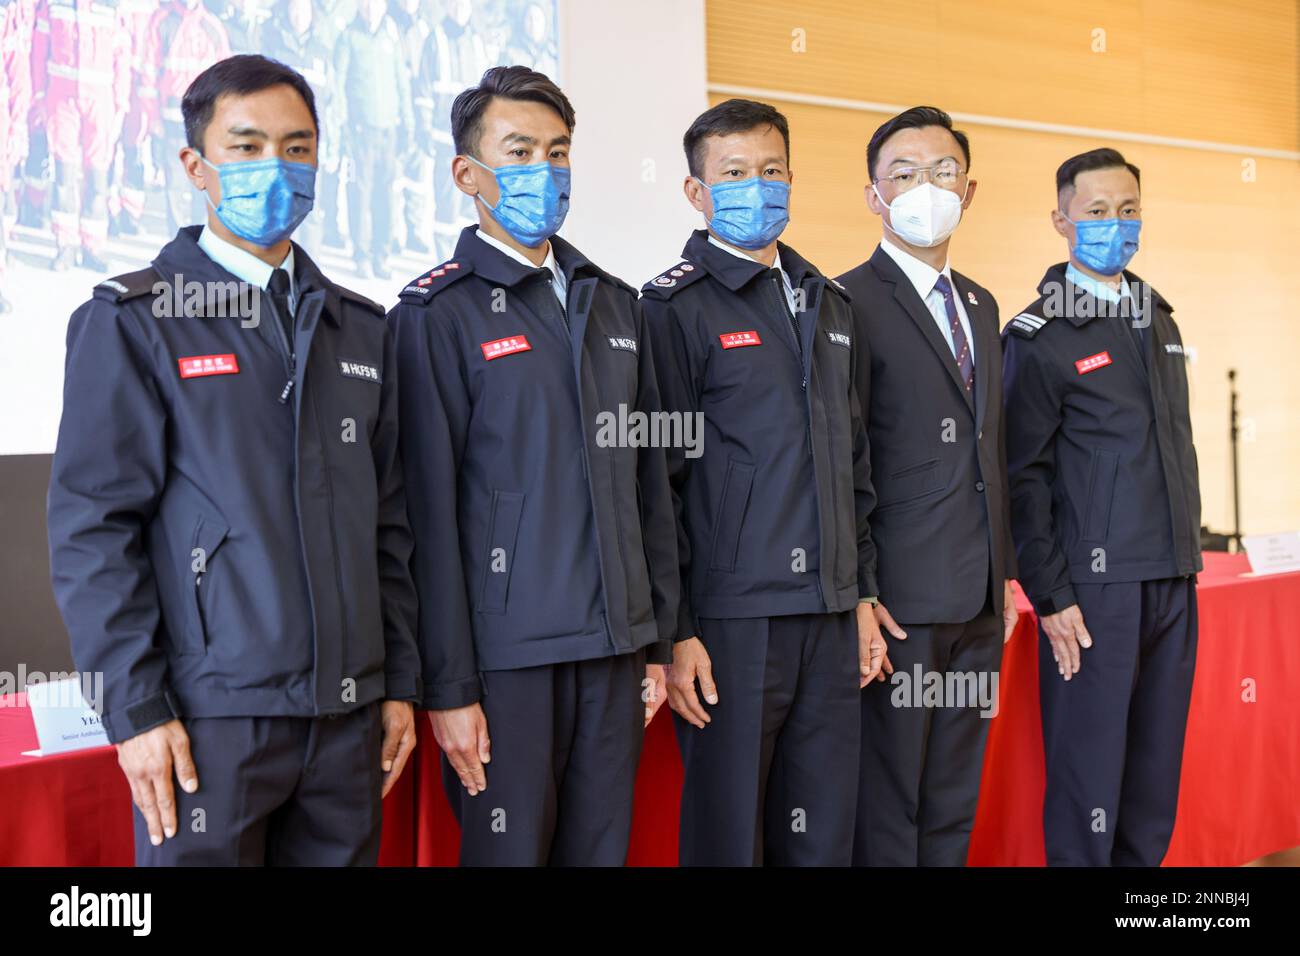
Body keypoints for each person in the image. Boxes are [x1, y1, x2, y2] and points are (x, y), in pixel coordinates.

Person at [47, 54, 421, 866]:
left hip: (348, 719)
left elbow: (387, 527)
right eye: (246, 148)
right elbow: (93, 533)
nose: (274, 169)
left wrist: (396, 681)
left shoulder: (360, 328)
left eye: (296, 147)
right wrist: (136, 710)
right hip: (208, 726)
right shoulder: (134, 321)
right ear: (196, 165)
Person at [389, 65, 678, 866]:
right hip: (505, 665)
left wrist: (654, 638)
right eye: (519, 151)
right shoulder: (432, 315)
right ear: (467, 173)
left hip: (616, 654)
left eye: (558, 152)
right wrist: (447, 686)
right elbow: (425, 521)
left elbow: (646, 483)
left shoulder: (615, 302)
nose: (544, 172)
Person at [641, 98, 882, 866]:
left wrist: (863, 593)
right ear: (696, 191)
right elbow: (657, 482)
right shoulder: (671, 308)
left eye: (771, 170)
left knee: (822, 836)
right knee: (729, 837)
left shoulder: (828, 301)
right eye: (734, 173)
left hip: (829, 612)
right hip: (730, 624)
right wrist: (676, 630)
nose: (757, 187)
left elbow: (855, 466)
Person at [1001, 147, 1201, 866]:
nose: (1115, 226)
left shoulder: (1160, 321)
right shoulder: (1040, 337)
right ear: (1061, 220)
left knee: (1153, 782)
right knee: (1091, 785)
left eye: (1128, 211)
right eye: (1095, 213)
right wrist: (1050, 593)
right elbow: (1021, 475)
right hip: (1095, 593)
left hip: (1174, 578)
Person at [836, 106, 1020, 866]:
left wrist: (1003, 574)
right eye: (903, 174)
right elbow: (845, 460)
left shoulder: (980, 303)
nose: (925, 187)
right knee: (891, 800)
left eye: (942, 171)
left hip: (977, 599)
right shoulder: (844, 303)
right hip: (901, 606)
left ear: (967, 190)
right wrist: (860, 593)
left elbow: (991, 452)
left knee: (952, 795)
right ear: (875, 195)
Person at [33, 0, 130, 272]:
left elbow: (122, 57)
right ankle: (65, 245)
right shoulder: (53, 5)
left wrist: (121, 103)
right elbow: (39, 51)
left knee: (98, 175)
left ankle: (92, 246)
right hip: (61, 100)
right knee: (64, 173)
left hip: (100, 102)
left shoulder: (111, 7)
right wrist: (41, 95)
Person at [335, 0, 412, 278]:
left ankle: (382, 256)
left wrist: (408, 122)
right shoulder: (349, 37)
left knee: (385, 197)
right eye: (364, 4)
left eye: (375, 3)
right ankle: (362, 256)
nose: (370, 8)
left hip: (388, 132)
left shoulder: (389, 38)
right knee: (360, 194)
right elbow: (339, 84)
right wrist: (344, 127)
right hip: (360, 133)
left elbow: (401, 82)